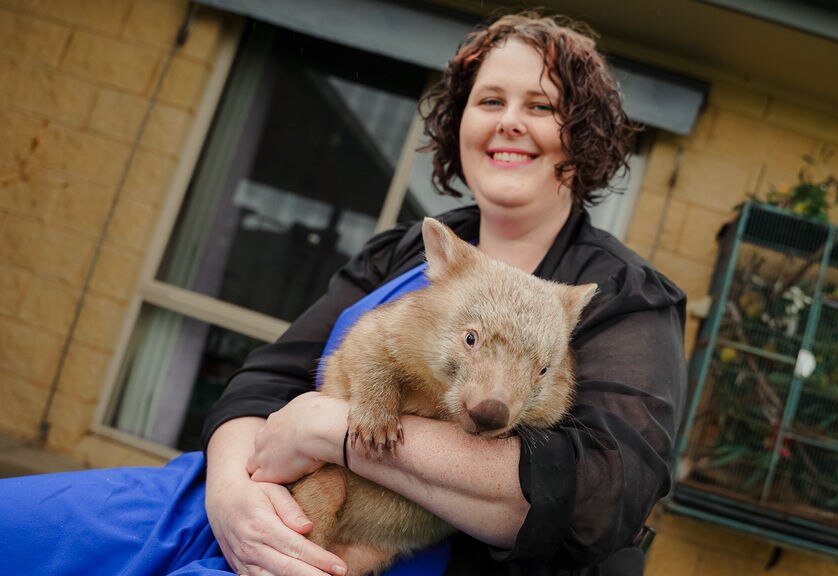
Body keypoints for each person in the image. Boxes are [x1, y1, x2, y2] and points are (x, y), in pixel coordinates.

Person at [0, 11, 686, 576]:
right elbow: (268, 378)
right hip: (234, 496)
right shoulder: (402, 251)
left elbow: (597, 498)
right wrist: (233, 494)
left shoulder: (625, 299)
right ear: (461, 125)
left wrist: (332, 430)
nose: (509, 121)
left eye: (540, 105)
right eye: (489, 101)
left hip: (373, 553)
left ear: (585, 137)